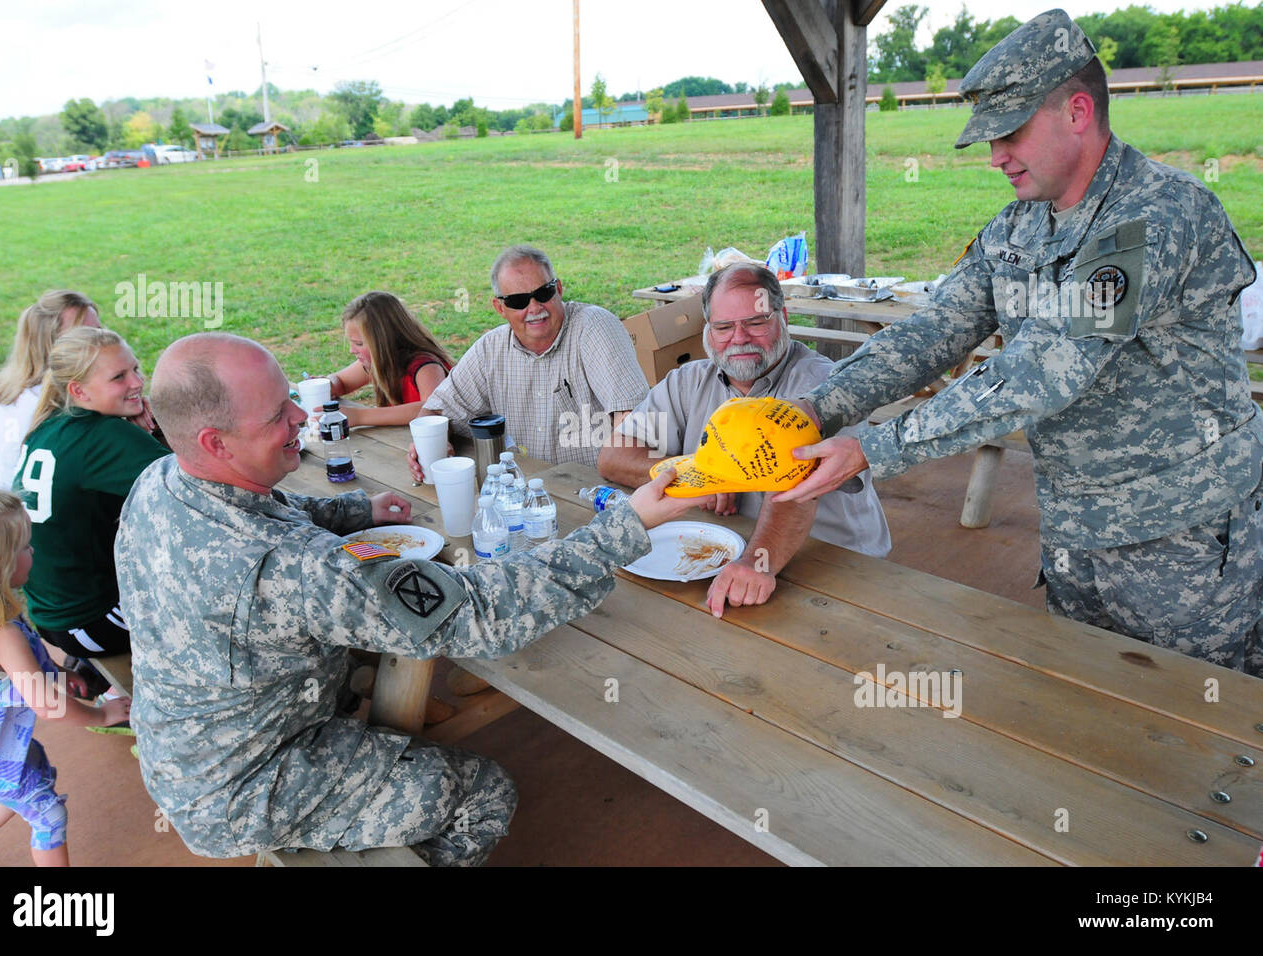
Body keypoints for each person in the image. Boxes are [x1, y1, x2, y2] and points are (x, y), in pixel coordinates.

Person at [776, 10, 1263, 677]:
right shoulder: (1019, 225)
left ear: (1078, 111)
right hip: (1073, 530)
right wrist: (817, 409)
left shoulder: (1154, 216)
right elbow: (932, 331)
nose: (996, 155)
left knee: (1205, 743)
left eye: (1009, 133)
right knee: (1085, 714)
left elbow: (1045, 371)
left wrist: (872, 448)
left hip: (1181, 539)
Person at [114, 332, 698, 865]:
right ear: (215, 441)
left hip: (184, 757)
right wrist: (626, 526)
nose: (300, 416)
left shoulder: (163, 480)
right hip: (252, 785)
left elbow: (270, 513)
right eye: (276, 416)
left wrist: (352, 511)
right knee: (483, 793)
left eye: (290, 397)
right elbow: (482, 614)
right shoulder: (292, 568)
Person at [600, 263, 891, 618]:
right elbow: (614, 456)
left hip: (831, 564)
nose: (739, 339)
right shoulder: (688, 381)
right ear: (707, 329)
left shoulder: (824, 386)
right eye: (723, 327)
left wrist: (758, 562)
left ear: (782, 316)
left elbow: (797, 489)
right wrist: (695, 478)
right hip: (724, 557)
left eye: (755, 323)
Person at [0, 491, 130, 867]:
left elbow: (18, 671)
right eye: (24, 546)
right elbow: (47, 705)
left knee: (19, 787)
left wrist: (59, 673)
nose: (33, 551)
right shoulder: (0, 632)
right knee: (47, 814)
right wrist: (100, 716)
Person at [408, 244, 648, 479]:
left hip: (599, 489)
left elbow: (633, 420)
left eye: (543, 293)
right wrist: (428, 444)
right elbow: (435, 411)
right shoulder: (491, 349)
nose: (534, 308)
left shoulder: (594, 327)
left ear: (559, 289)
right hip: (526, 493)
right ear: (500, 307)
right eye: (518, 301)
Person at [12, 328, 168, 666]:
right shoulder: (104, 435)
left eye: (136, 369)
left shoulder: (49, 423)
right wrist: (155, 430)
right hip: (95, 622)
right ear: (78, 390)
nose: (137, 382)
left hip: (52, 617)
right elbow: (200, 485)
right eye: (118, 377)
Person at [0, 291, 102, 491]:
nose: (102, 343)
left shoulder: (17, 392)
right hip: (16, 518)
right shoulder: (55, 405)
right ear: (49, 344)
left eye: (99, 331)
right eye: (84, 336)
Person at [321, 291, 454, 426]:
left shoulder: (426, 366)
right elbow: (341, 382)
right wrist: (328, 385)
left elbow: (433, 409)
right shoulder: (376, 363)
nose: (351, 350)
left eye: (359, 344)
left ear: (384, 342)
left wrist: (359, 417)